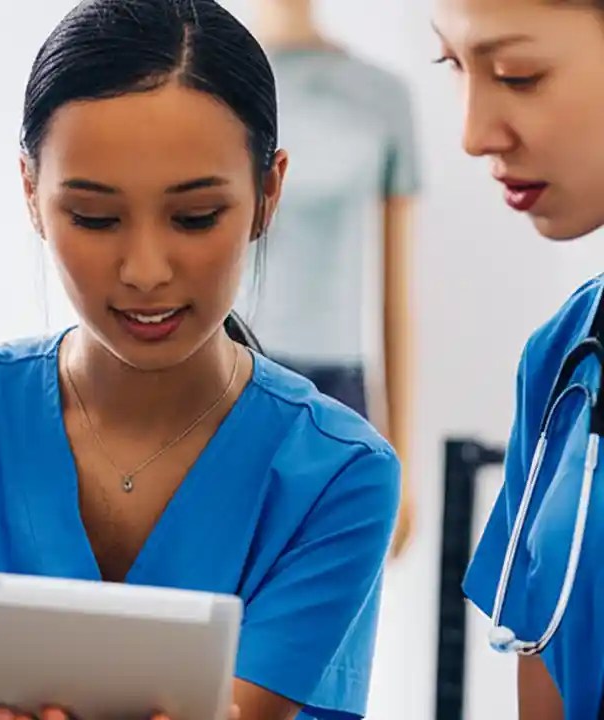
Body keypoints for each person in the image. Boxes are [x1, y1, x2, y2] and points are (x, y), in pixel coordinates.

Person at [0, 1, 400, 719]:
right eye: (94, 217)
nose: (145, 270)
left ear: (268, 192)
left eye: (195, 216)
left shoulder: (338, 474)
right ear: (31, 191)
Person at [435, 0, 604, 717]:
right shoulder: (561, 359)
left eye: (518, 74)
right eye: (453, 65)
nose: (473, 135)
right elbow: (540, 656)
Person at [246, 0, 421, 559]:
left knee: (329, 617)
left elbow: (397, 293)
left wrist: (402, 460)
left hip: (337, 394)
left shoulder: (382, 97)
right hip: (225, 380)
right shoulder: (208, 81)